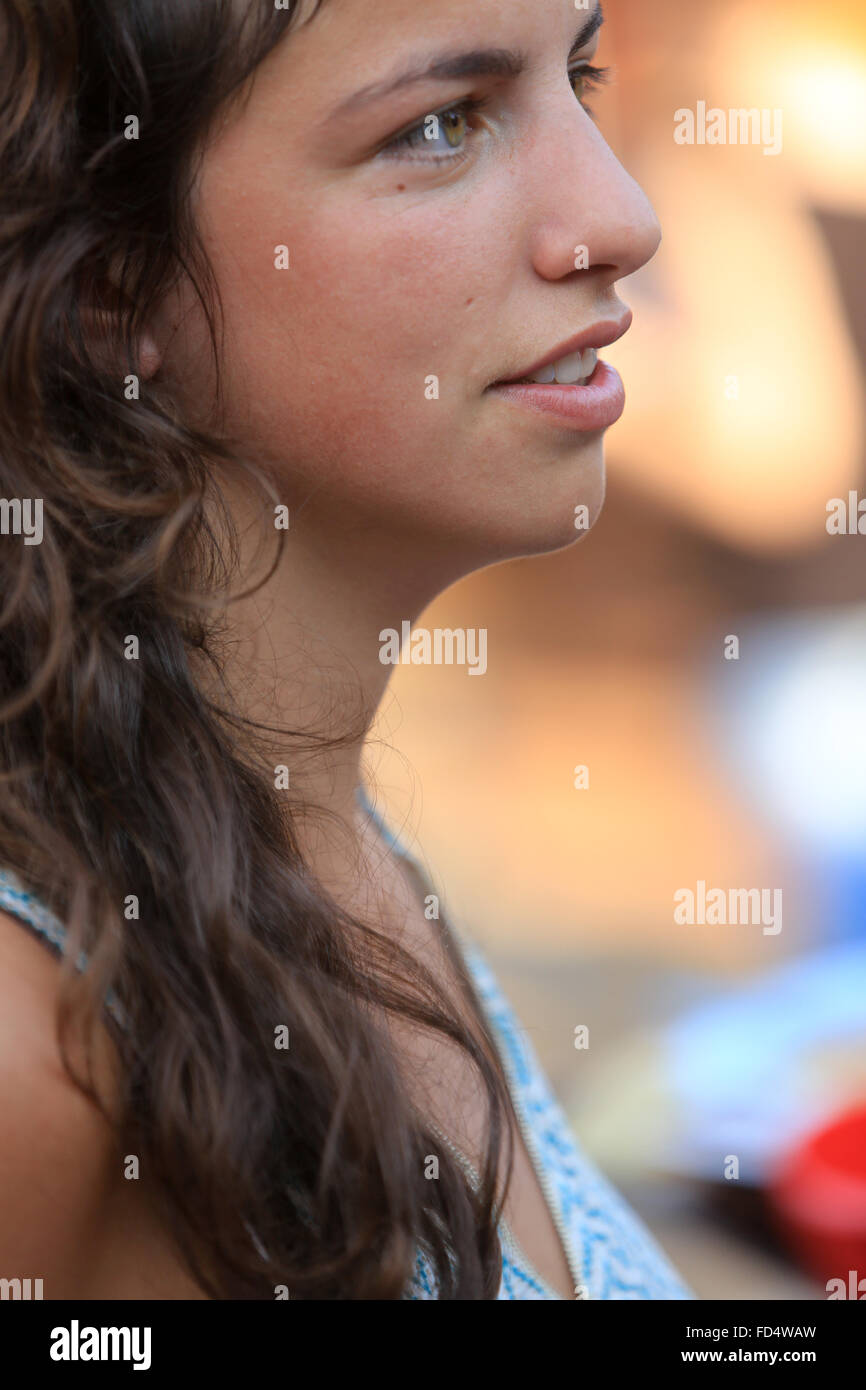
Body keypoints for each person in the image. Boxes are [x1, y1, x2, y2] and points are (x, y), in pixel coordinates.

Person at [0, 0, 691, 1299]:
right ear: (109, 292)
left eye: (577, 75)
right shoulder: (37, 1028)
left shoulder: (315, 832)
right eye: (439, 125)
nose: (618, 218)